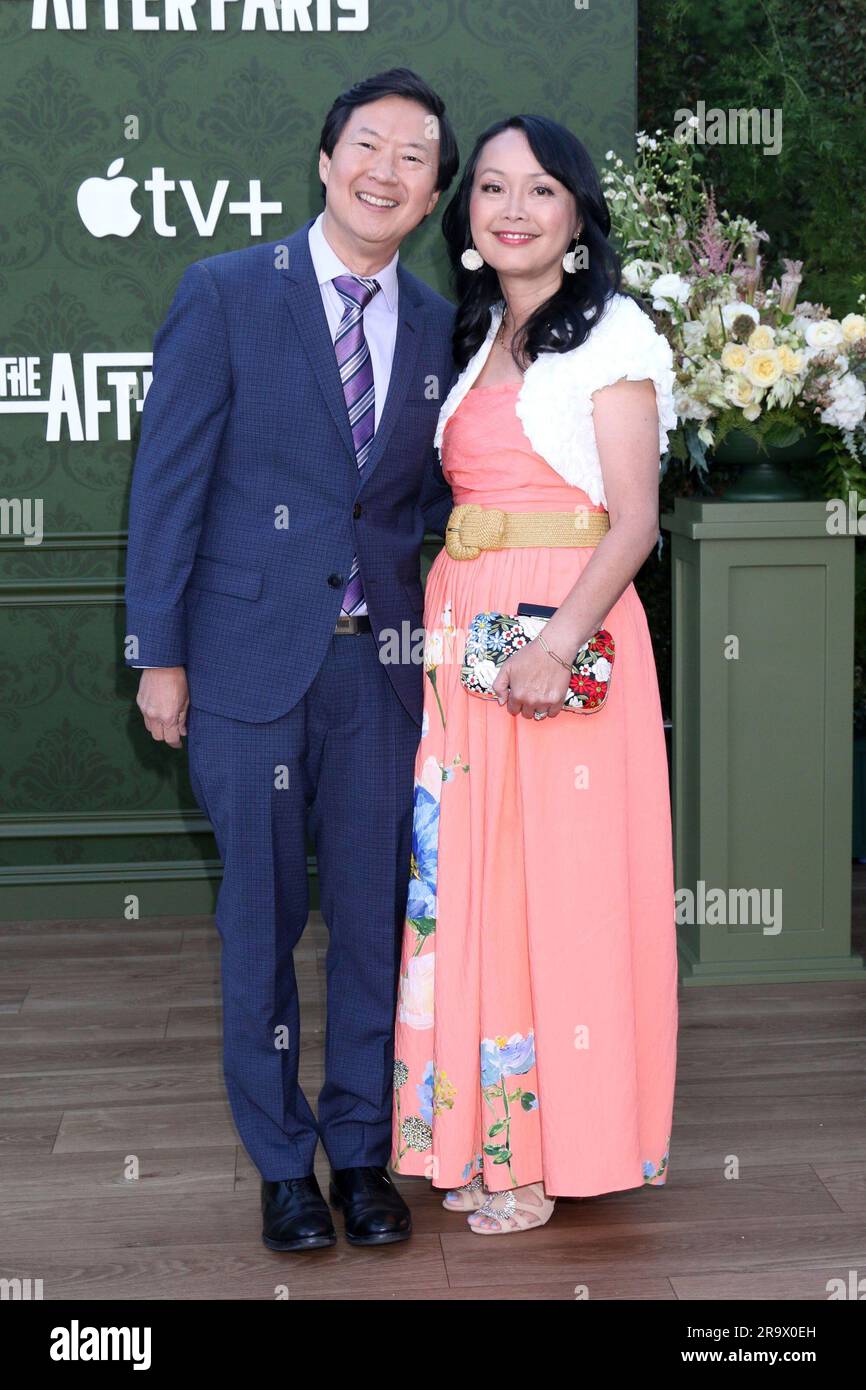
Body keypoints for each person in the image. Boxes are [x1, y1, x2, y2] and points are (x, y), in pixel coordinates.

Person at [124, 69, 460, 1252]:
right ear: (324, 163)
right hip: (244, 669)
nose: (384, 169)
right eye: (365, 145)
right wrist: (157, 655)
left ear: (430, 195)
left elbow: (424, 507)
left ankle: (361, 1153)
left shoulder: (433, 326)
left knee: (374, 921)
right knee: (259, 922)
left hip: (380, 674)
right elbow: (166, 485)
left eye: (412, 156)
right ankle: (279, 1161)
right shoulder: (224, 294)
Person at [390, 114, 679, 1233]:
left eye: (540, 189)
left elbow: (634, 520)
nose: (511, 208)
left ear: (575, 214)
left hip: (566, 630)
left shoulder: (611, 332)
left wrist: (555, 641)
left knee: (560, 889)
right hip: (465, 638)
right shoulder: (473, 338)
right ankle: (479, 1133)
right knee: (474, 883)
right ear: (465, 218)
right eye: (492, 189)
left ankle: (555, 1150)